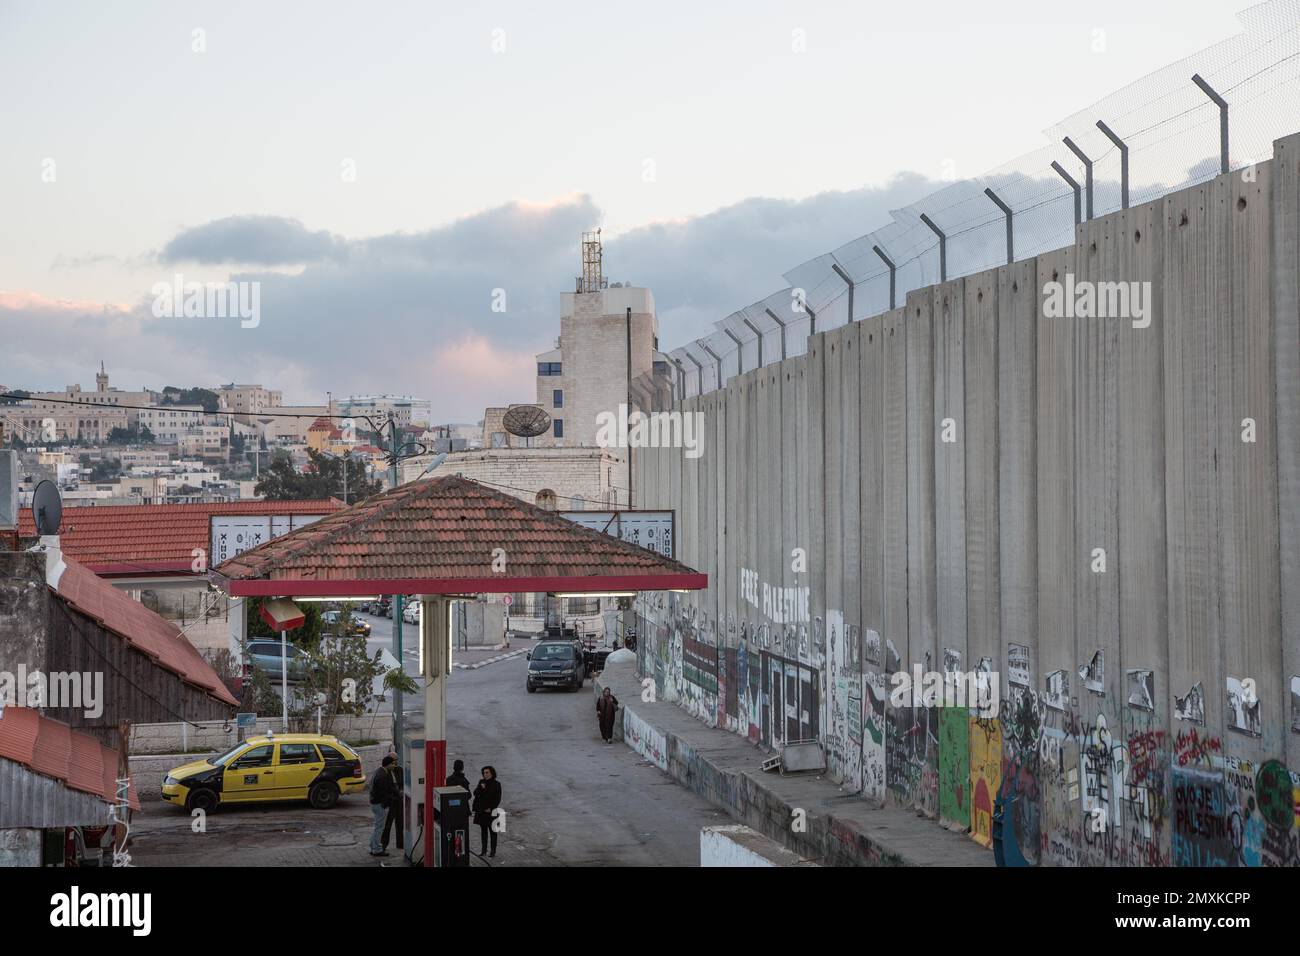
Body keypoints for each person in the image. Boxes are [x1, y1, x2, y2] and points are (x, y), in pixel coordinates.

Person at [369, 754, 398, 857]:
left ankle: (373, 846)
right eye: (393, 764)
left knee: (377, 826)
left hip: (375, 803)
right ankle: (376, 849)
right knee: (379, 827)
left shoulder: (379, 771)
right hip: (379, 805)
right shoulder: (383, 776)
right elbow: (383, 793)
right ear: (388, 764)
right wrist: (386, 804)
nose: (394, 766)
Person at [471, 766, 502, 858]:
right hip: (482, 811)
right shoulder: (481, 782)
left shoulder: (497, 784)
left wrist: (491, 808)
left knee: (493, 832)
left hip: (491, 812)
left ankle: (493, 851)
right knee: (483, 831)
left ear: (492, 773)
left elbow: (498, 798)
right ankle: (483, 850)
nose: (485, 774)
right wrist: (481, 788)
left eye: (487, 772)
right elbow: (475, 793)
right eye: (484, 773)